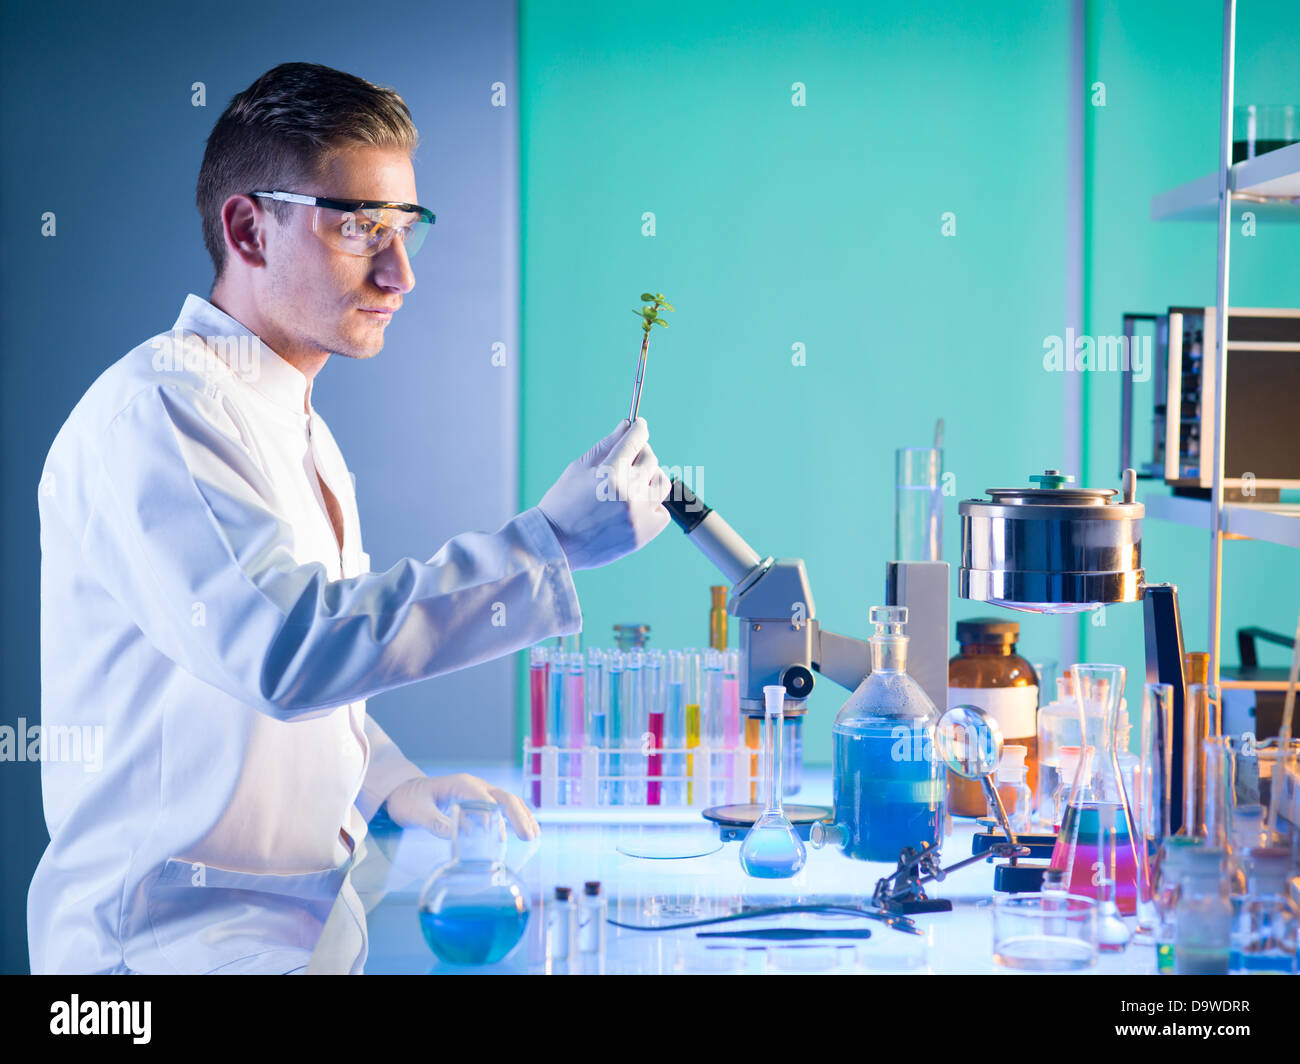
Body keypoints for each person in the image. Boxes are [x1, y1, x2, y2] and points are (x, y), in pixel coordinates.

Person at [28, 62, 671, 974]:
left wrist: (396, 784)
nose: (399, 270)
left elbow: (297, 689)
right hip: (158, 960)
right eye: (360, 226)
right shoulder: (159, 414)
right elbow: (286, 651)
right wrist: (551, 544)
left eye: (406, 228)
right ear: (249, 227)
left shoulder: (295, 424)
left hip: (290, 940)